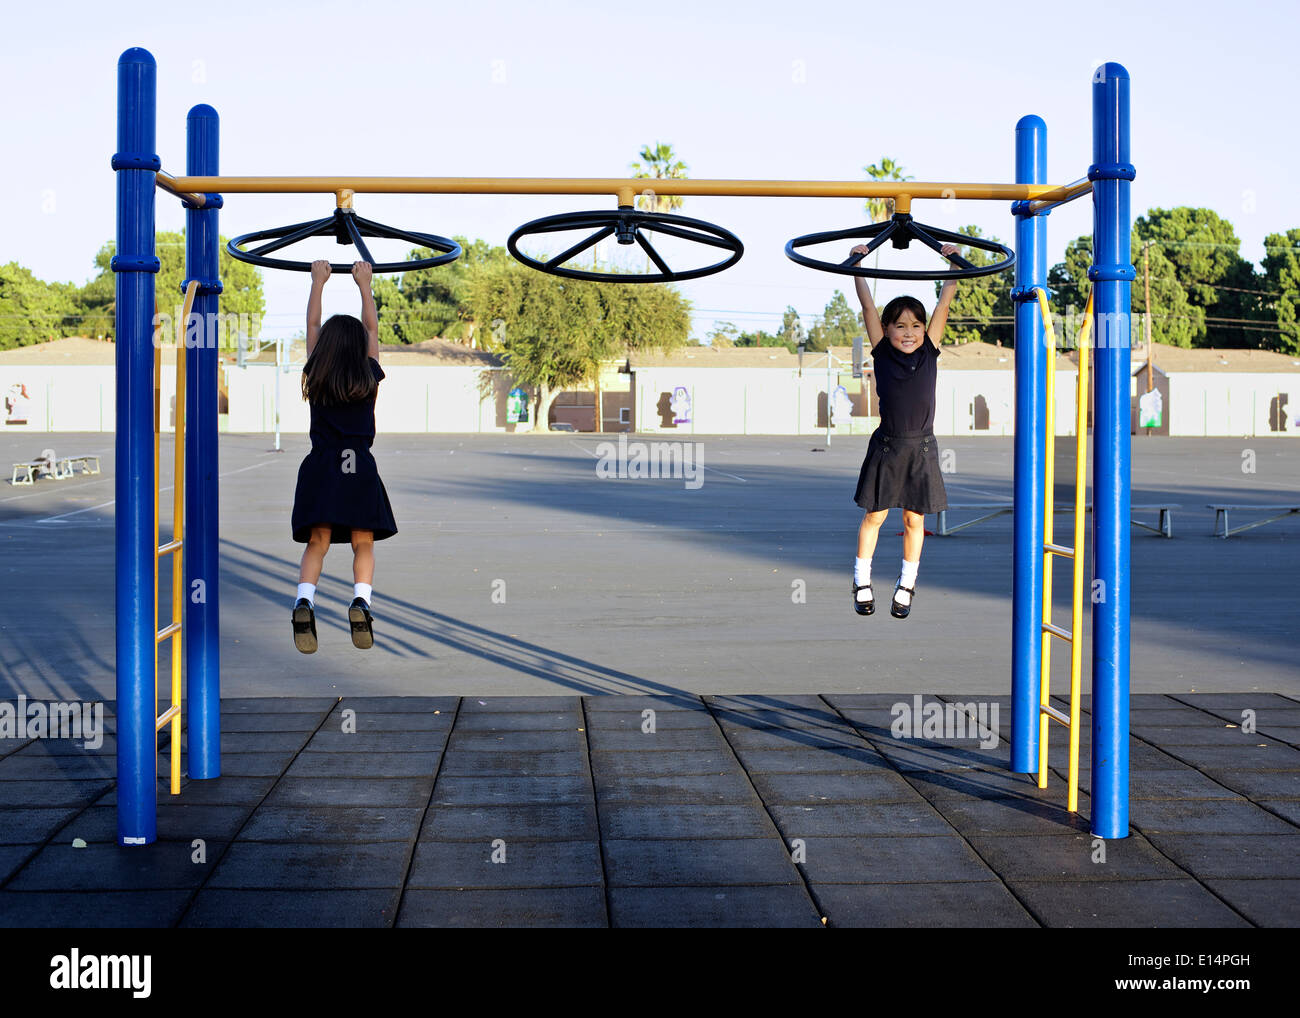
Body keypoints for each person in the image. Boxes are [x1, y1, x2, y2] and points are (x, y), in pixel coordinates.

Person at [290, 259, 398, 653]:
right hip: (358, 466)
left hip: (321, 465)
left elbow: (313, 327)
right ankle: (361, 601)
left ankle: (305, 599)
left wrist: (317, 283)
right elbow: (371, 328)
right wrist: (364, 285)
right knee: (363, 542)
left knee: (316, 542)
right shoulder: (369, 373)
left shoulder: (316, 372)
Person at [849, 244, 959, 619]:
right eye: (900, 325)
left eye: (915, 325)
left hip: (921, 450)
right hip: (887, 447)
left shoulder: (929, 350)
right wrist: (858, 266)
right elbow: (867, 308)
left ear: (924, 329)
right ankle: (861, 578)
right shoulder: (881, 351)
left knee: (915, 520)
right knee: (875, 517)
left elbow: (944, 303)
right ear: (888, 329)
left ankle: (906, 583)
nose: (908, 332)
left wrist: (953, 263)